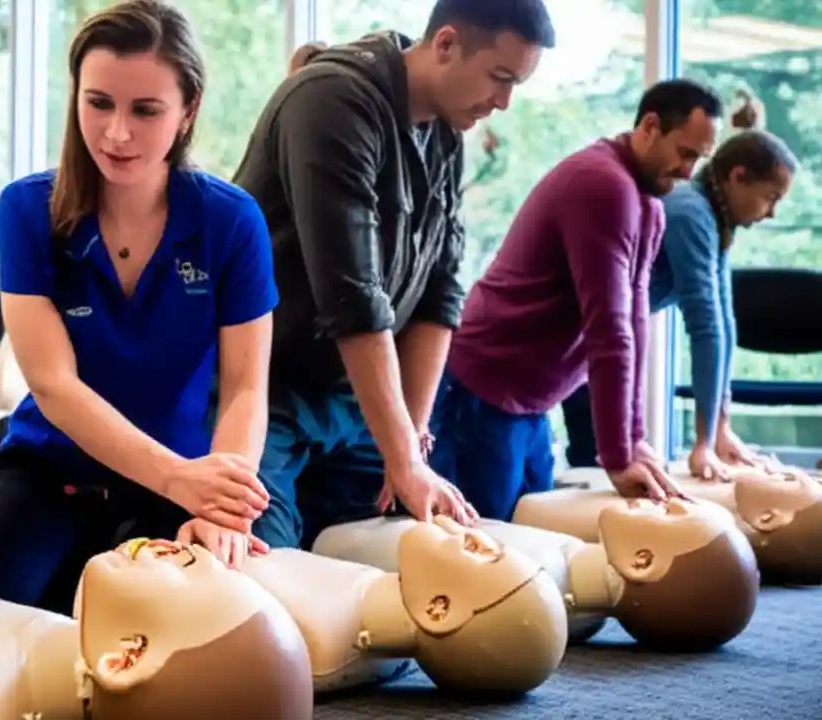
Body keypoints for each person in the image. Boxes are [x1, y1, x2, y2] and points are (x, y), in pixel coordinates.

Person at [0, 0, 279, 614]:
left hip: (181, 476)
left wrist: (221, 502)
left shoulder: (231, 221)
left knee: (153, 628)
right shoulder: (25, 209)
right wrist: (181, 480)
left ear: (188, 110)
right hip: (50, 464)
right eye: (99, 103)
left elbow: (247, 388)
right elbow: (54, 385)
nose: (117, 132)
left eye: (146, 110)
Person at [226, 0, 555, 552]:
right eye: (500, 78)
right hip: (265, 391)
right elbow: (353, 297)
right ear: (446, 44)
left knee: (419, 554)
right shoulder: (331, 100)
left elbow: (440, 296)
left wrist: (409, 446)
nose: (503, 102)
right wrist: (400, 455)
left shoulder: (446, 132)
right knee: (271, 571)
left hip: (353, 403)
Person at [427, 79, 724, 521]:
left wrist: (634, 437)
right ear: (650, 126)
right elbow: (609, 328)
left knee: (532, 541)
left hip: (530, 405)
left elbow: (636, 324)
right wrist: (617, 455)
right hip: (481, 392)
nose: (689, 173)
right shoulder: (602, 185)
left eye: (699, 160)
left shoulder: (649, 207)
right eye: (685, 153)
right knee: (485, 553)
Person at [562, 129, 798, 480]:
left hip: (591, 340)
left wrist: (721, 426)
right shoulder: (690, 213)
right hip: (578, 338)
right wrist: (702, 443)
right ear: (737, 177)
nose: (772, 213)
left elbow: (724, 321)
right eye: (770, 197)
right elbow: (704, 328)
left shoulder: (713, 217)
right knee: (594, 470)